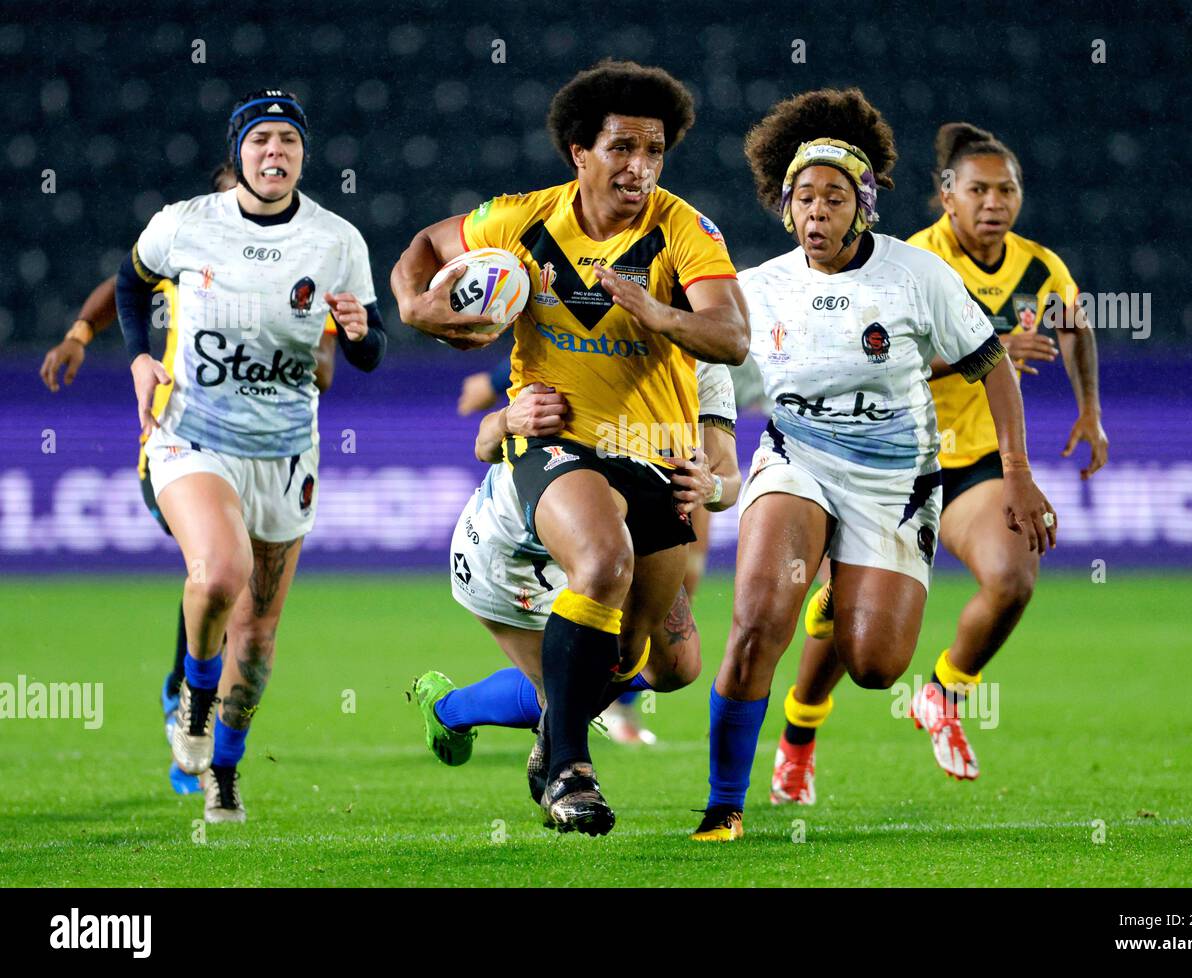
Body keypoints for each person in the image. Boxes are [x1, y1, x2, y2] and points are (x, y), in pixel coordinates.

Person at [391, 60, 748, 836]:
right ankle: (569, 771)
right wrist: (420, 310)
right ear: (579, 152)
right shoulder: (521, 221)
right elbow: (423, 244)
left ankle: (483, 716)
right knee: (604, 563)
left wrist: (660, 315)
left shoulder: (684, 230)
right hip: (554, 440)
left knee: (634, 662)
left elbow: (732, 336)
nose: (640, 167)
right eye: (622, 148)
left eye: (655, 151)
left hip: (650, 453)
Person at [690, 89, 1056, 842]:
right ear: (785, 208)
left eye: (834, 198)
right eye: (802, 199)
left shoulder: (916, 276)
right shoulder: (755, 289)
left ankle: (835, 595)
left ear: (866, 206)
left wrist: (1016, 471)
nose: (816, 213)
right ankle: (724, 804)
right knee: (758, 621)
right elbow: (700, 373)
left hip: (896, 485)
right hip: (796, 460)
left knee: (877, 667)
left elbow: (993, 365)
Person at [771, 122, 1107, 802]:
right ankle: (799, 737)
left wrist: (1089, 410)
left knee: (1013, 579)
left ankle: (945, 695)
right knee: (843, 621)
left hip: (975, 461)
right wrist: (986, 355)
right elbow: (868, 363)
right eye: (978, 189)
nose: (994, 202)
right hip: (889, 461)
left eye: (1006, 190)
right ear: (946, 197)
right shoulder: (905, 263)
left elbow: (1075, 325)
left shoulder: (1040, 267)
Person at [117, 89, 385, 822]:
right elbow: (129, 285)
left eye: (288, 142)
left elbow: (369, 352)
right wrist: (139, 360)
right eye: (261, 139)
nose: (275, 153)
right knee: (220, 573)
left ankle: (223, 772)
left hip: (286, 452)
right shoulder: (184, 224)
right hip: (193, 434)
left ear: (303, 154)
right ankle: (194, 701)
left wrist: (361, 335)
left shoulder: (336, 241)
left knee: (260, 641)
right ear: (238, 154)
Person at [39, 162, 338, 796]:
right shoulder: (184, 268)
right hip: (176, 452)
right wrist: (78, 335)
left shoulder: (300, 276)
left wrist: (289, 344)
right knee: (218, 568)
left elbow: (329, 370)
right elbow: (116, 284)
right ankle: (185, 696)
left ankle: (202, 729)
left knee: (235, 604)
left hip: (269, 453)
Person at [413, 359, 740, 789]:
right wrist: (504, 418)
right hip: (517, 554)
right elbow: (487, 443)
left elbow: (728, 477)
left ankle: (558, 727)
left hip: (618, 540)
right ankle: (457, 714)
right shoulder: (582, 333)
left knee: (678, 665)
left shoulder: (703, 361)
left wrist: (711, 487)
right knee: (572, 691)